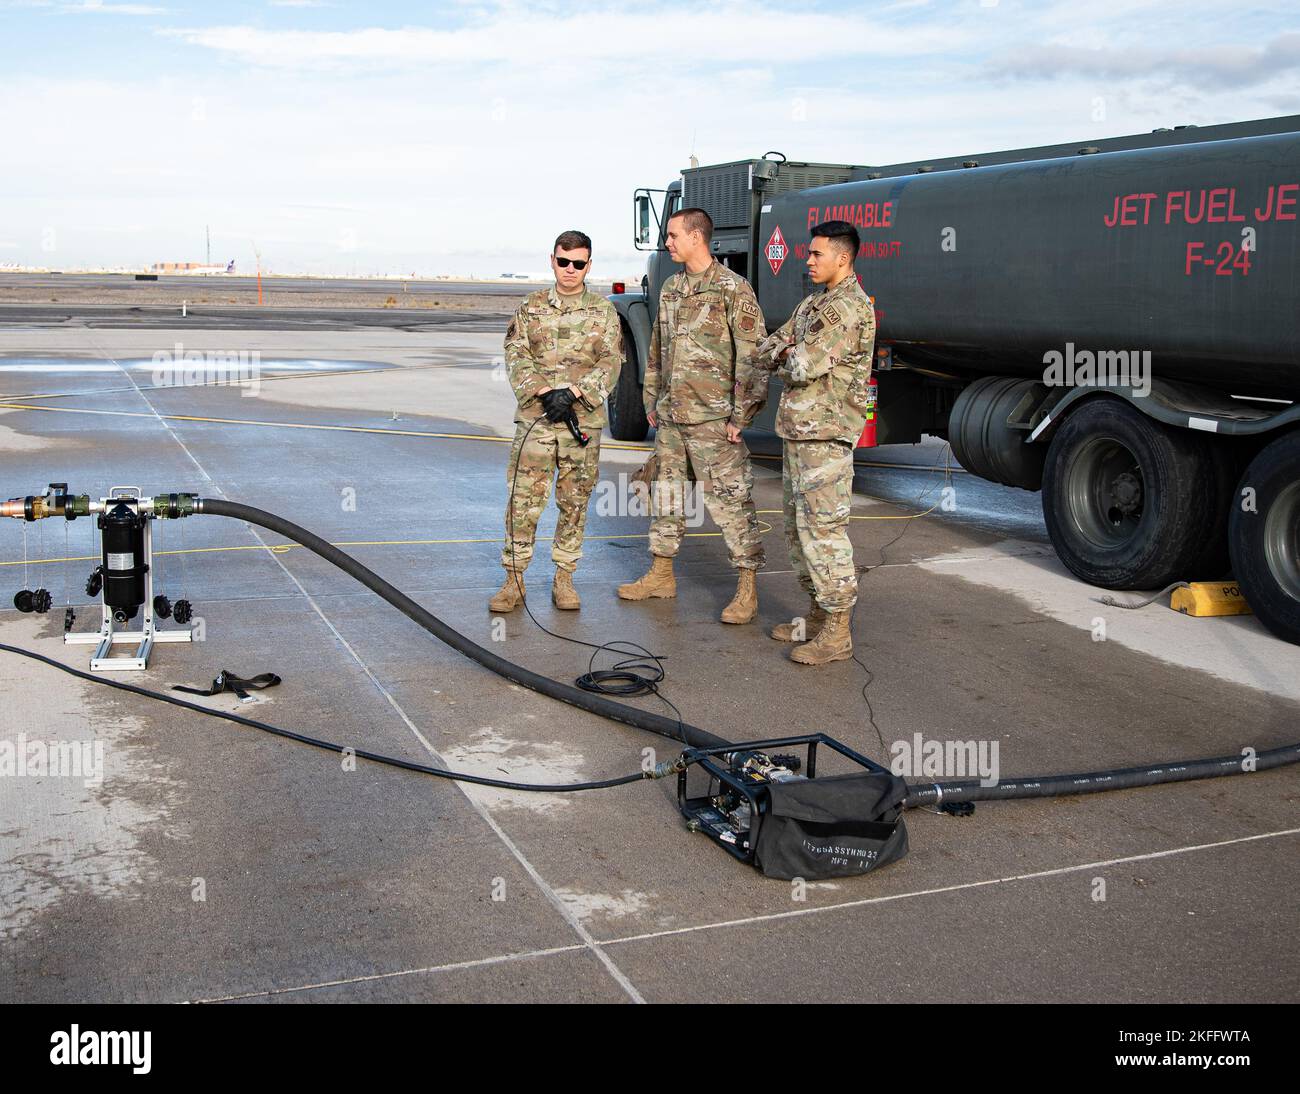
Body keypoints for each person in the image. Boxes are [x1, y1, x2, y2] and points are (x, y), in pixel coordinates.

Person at [616, 207, 768, 624]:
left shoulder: (732, 289)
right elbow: (658, 351)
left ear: (697, 237)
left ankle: (747, 589)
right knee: (665, 500)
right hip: (671, 418)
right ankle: (661, 575)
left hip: (714, 421)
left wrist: (742, 416)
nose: (667, 242)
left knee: (731, 503)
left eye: (673, 235)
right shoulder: (670, 289)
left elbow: (752, 357)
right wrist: (651, 401)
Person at [747, 220, 875, 664]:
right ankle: (818, 615)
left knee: (824, 532)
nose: (809, 260)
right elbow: (769, 347)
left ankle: (838, 632)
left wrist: (787, 353)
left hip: (826, 436)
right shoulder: (813, 305)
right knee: (798, 531)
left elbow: (799, 365)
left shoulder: (849, 309)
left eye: (817, 254)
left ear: (843, 257)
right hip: (800, 433)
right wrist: (786, 351)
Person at [490, 229, 621, 613]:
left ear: (588, 265)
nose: (570, 269)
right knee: (523, 500)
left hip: (581, 424)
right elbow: (515, 354)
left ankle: (564, 578)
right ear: (552, 260)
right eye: (563, 261)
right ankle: (513, 580)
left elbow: (612, 361)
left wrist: (576, 393)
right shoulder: (530, 307)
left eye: (578, 263)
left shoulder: (604, 311)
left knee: (574, 502)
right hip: (537, 419)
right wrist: (545, 392)